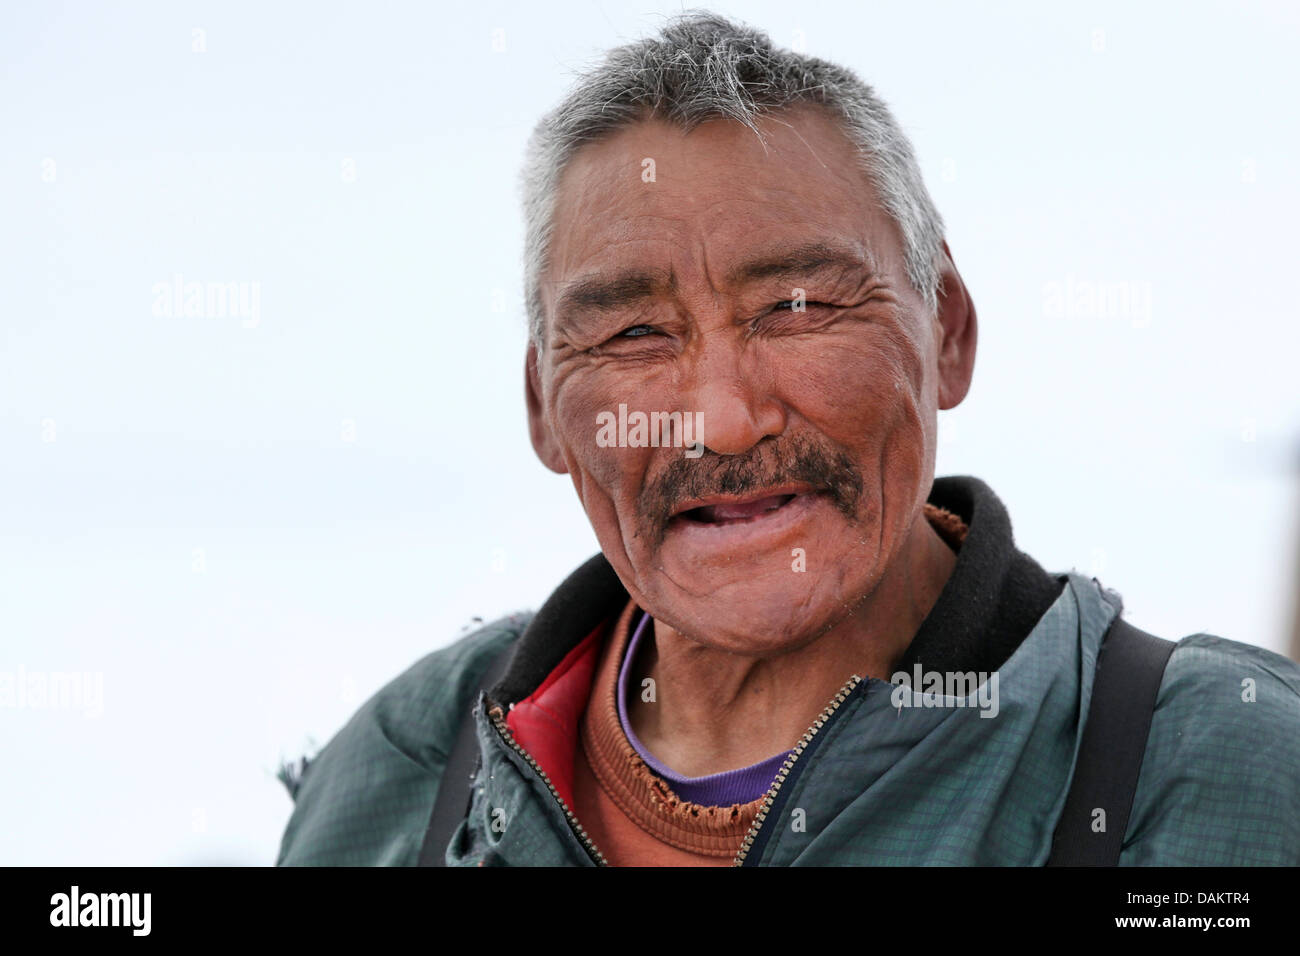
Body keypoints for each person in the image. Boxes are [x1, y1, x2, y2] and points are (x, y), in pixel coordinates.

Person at [276, 11, 1300, 866]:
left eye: (798, 306)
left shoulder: (1218, 776)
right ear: (543, 406)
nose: (723, 417)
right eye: (633, 333)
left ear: (947, 331)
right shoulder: (403, 769)